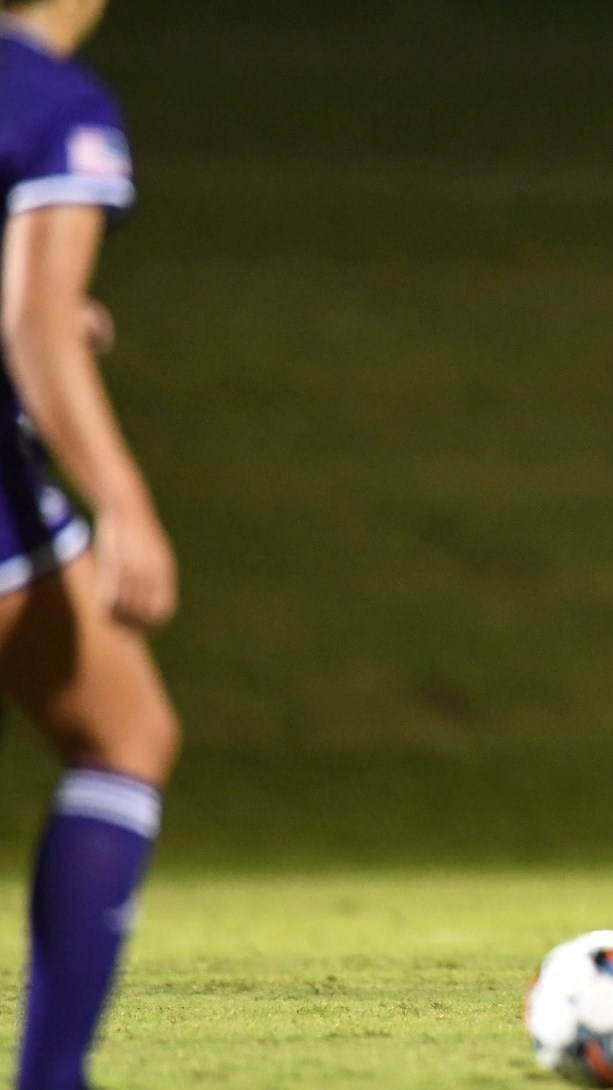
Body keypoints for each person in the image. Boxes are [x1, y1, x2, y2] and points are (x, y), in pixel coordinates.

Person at [2, 0, 182, 1085]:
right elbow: (27, 322)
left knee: (123, 721)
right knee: (122, 735)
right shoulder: (55, 104)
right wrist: (120, 495)